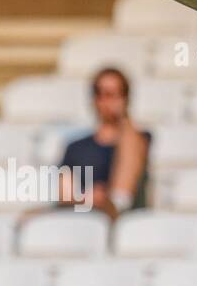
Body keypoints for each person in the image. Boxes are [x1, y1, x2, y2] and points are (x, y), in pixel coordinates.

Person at [57, 67, 150, 220]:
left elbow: (124, 194)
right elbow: (64, 195)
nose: (109, 101)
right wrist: (87, 199)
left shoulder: (139, 139)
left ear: (126, 98)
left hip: (125, 220)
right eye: (102, 93)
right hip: (84, 218)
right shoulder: (75, 148)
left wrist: (123, 116)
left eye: (117, 94)